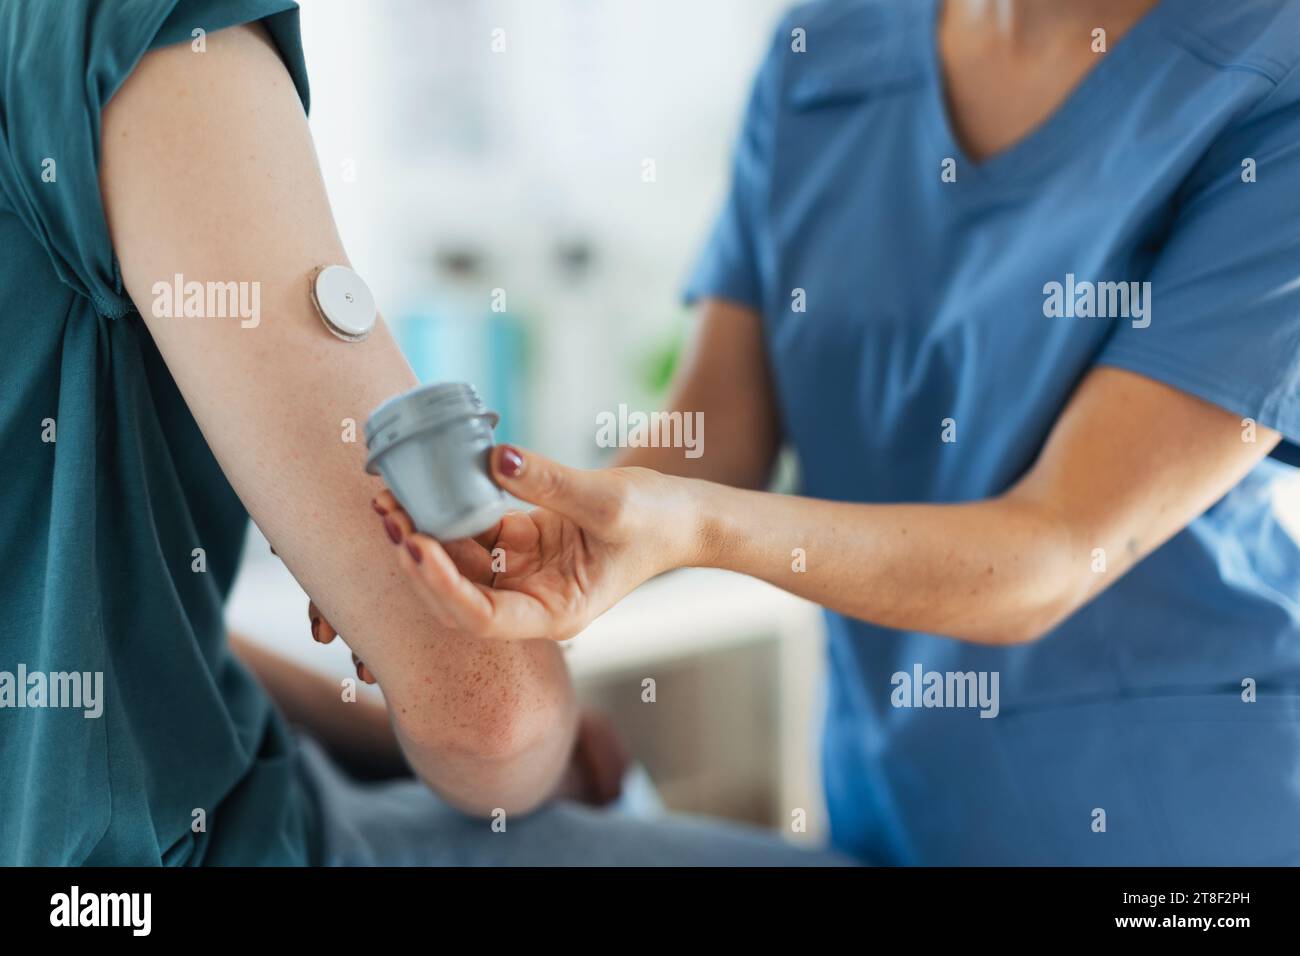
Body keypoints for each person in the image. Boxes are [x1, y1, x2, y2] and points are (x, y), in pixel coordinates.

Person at [375, 0, 1300, 865]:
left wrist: (697, 527)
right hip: (892, 815)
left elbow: (1058, 547)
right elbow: (717, 429)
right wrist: (525, 535)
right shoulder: (825, 48)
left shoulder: (1267, 73)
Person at [0, 0, 837, 865]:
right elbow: (490, 711)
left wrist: (386, 719)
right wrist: (516, 728)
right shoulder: (144, 36)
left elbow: (113, 647)